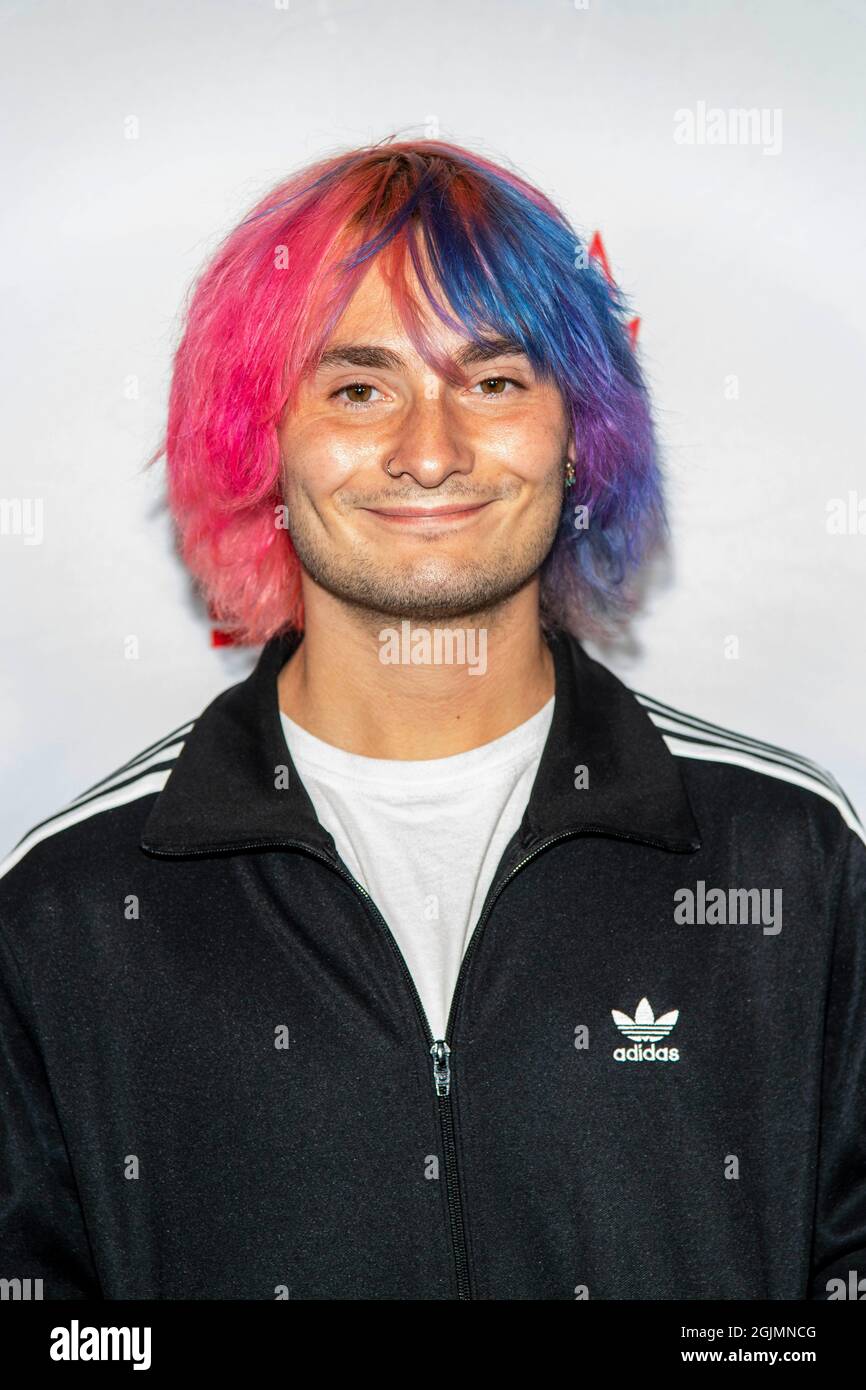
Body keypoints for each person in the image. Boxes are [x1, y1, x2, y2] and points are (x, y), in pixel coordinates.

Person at [1, 139, 863, 1302]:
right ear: (260, 444)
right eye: (358, 387)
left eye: (493, 382)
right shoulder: (71, 905)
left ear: (579, 441)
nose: (429, 450)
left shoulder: (789, 860)